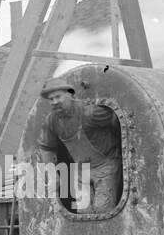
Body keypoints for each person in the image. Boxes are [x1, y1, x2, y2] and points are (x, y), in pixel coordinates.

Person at [37, 77, 121, 213]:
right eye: (51, 99)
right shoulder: (51, 120)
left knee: (103, 208)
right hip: (82, 168)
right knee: (83, 211)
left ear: (70, 94)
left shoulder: (90, 112)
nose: (54, 102)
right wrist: (53, 176)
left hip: (105, 164)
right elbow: (46, 148)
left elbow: (117, 120)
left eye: (58, 97)